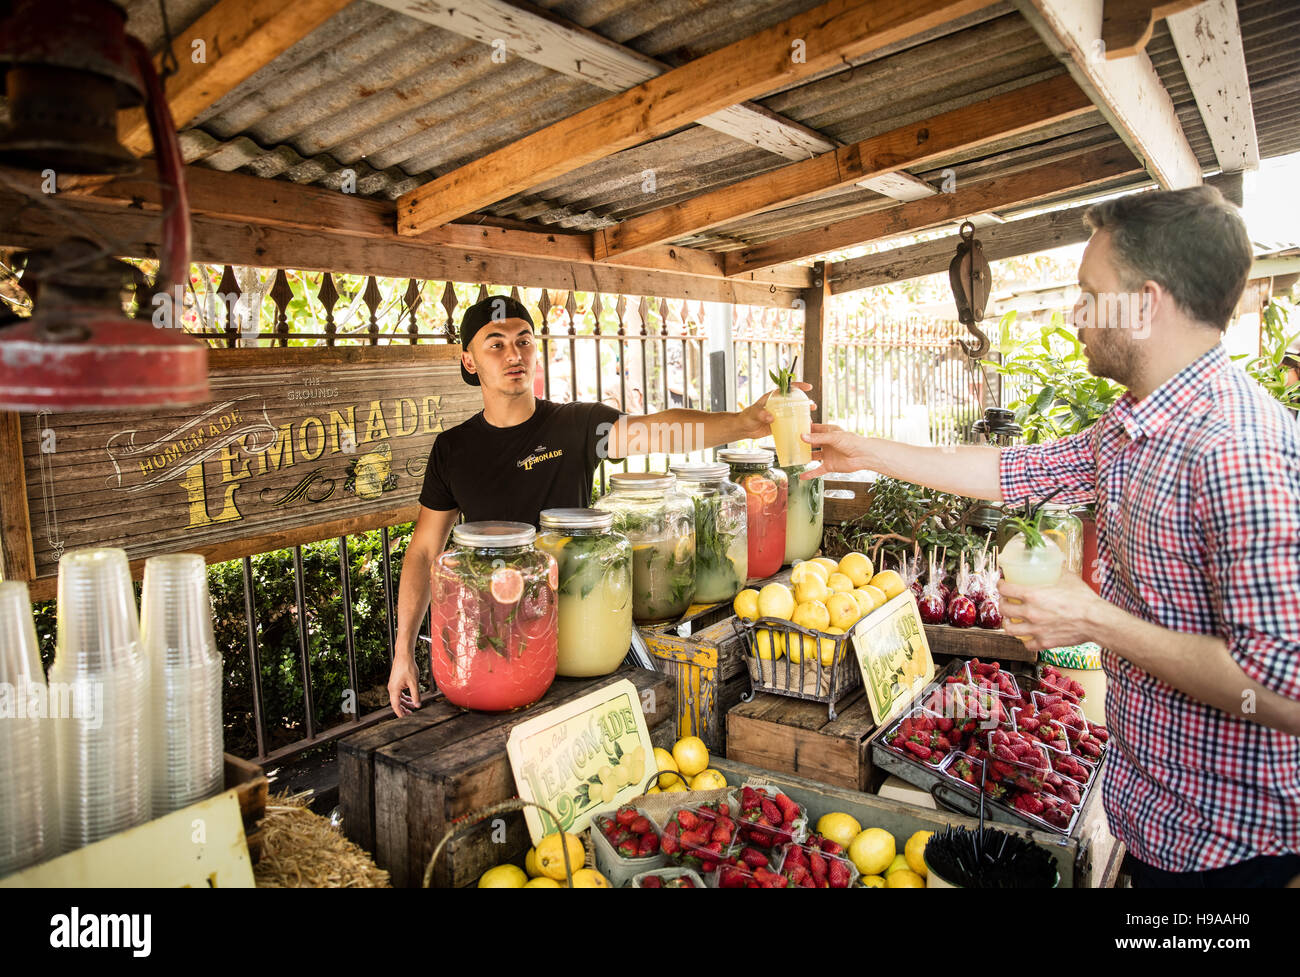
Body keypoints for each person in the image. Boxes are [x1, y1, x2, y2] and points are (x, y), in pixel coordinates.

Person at [804, 186, 1300, 888]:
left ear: (1145, 302)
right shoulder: (1132, 426)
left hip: (1226, 852)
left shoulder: (1236, 450)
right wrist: (867, 450)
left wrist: (1094, 617)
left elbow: (1282, 690)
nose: (1076, 314)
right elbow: (1012, 468)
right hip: (1156, 822)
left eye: (1089, 293)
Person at [387, 295, 808, 716]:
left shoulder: (577, 425)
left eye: (524, 341)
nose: (514, 354)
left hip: (582, 630)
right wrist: (403, 650)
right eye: (495, 344)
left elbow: (660, 430)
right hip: (498, 640)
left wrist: (742, 423)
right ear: (469, 361)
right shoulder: (453, 449)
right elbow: (425, 550)